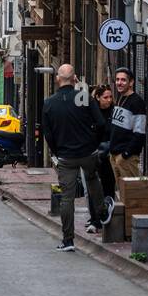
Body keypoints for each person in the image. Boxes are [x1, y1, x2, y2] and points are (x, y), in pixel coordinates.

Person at [41, 64, 107, 251]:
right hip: (88, 152)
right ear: (75, 78)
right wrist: (94, 142)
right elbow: (101, 123)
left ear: (57, 79)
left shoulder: (49, 103)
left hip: (66, 156)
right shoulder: (84, 98)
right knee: (93, 181)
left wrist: (57, 151)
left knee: (67, 199)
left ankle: (68, 240)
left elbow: (48, 134)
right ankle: (103, 215)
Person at [86, 84, 117, 234]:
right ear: (97, 97)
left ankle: (107, 218)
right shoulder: (92, 112)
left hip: (109, 156)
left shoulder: (114, 112)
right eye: (105, 97)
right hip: (94, 155)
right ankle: (95, 220)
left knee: (108, 187)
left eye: (110, 97)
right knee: (93, 189)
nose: (109, 100)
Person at [109, 67, 148, 184]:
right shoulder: (121, 97)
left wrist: (125, 155)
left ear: (131, 82)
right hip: (114, 155)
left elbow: (139, 133)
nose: (119, 83)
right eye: (117, 79)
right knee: (122, 193)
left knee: (132, 193)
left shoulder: (137, 102)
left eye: (123, 80)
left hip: (126, 158)